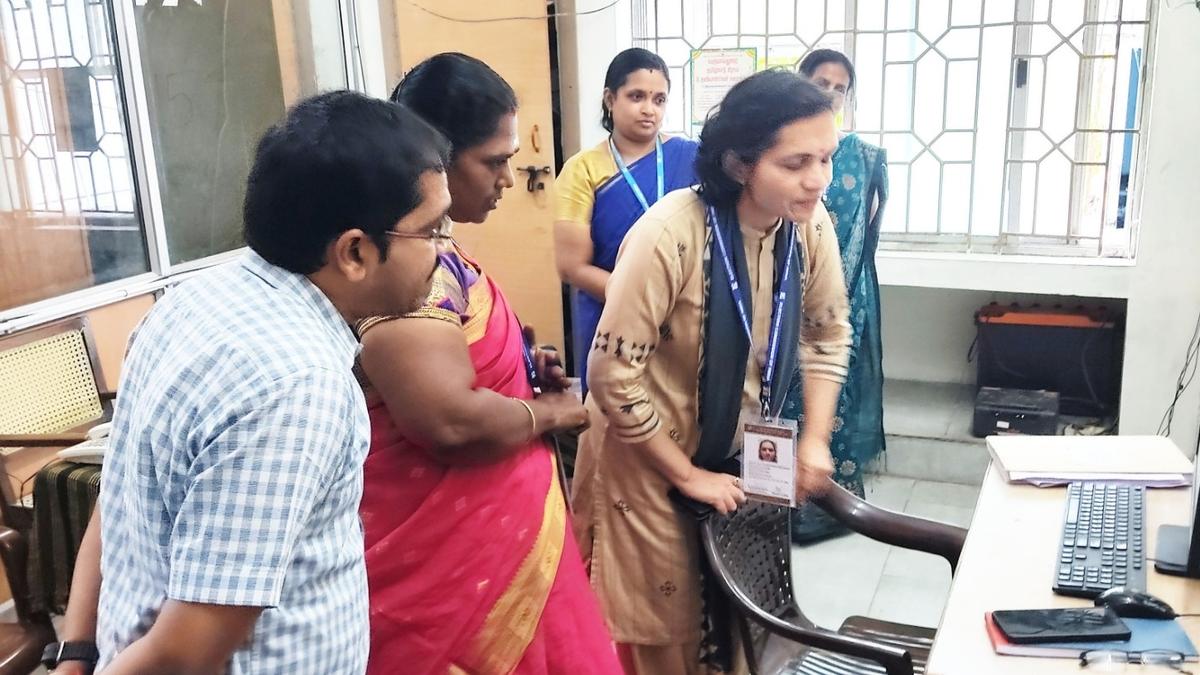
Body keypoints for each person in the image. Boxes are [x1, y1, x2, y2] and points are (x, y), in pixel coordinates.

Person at [49, 91, 453, 675]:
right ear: (356, 252)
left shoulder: (191, 301)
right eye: (433, 232)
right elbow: (186, 652)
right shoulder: (297, 386)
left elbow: (118, 498)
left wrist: (79, 650)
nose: (446, 252)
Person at [571, 70, 853, 675]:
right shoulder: (671, 232)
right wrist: (686, 474)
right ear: (739, 164)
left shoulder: (810, 223)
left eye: (826, 158)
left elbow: (827, 333)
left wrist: (816, 440)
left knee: (739, 623)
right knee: (667, 635)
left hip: (741, 453)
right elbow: (611, 372)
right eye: (796, 162)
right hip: (648, 460)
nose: (817, 179)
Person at [355, 53, 622, 675]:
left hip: (506, 542)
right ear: (435, 159)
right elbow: (448, 423)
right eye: (495, 161)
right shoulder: (405, 274)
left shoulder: (438, 251)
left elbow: (459, 369)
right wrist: (549, 409)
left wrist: (523, 369)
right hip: (445, 569)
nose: (509, 178)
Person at [786, 48, 890, 543]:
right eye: (820, 82)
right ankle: (774, 506)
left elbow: (866, 235)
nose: (829, 93)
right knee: (779, 397)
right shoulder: (776, 146)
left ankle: (831, 508)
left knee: (834, 397)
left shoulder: (866, 158)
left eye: (839, 87)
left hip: (844, 300)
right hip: (781, 296)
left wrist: (837, 297)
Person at [554, 48, 699, 390]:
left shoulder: (691, 158)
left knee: (678, 411)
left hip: (682, 312)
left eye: (659, 99)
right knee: (614, 412)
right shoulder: (583, 169)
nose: (650, 109)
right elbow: (572, 267)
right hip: (609, 312)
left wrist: (671, 304)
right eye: (637, 96)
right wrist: (641, 301)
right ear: (610, 98)